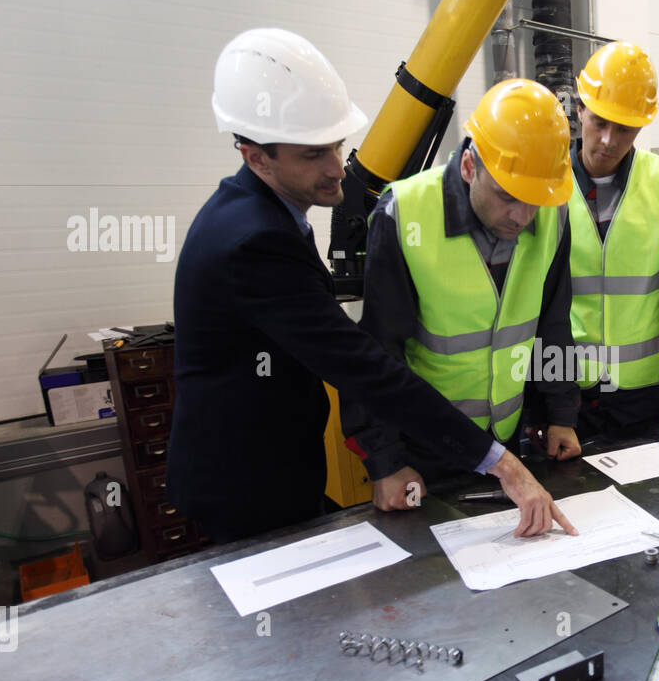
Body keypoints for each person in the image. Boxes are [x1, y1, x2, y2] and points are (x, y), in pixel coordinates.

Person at [167, 28, 575, 543]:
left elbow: (552, 325)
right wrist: (502, 467)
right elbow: (365, 365)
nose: (338, 168)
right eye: (314, 155)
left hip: (284, 463)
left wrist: (554, 414)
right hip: (245, 482)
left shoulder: (263, 214)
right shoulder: (252, 241)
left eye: (336, 146)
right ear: (256, 157)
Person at [347, 79, 581, 510]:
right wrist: (385, 462)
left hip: (509, 442)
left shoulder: (553, 218)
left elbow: (553, 327)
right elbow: (378, 353)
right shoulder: (404, 215)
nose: (522, 216)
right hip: (426, 450)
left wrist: (561, 416)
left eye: (535, 200)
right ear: (471, 166)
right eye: (508, 196)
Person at [564, 41, 659, 455]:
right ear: (580, 110)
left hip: (645, 399)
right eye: (599, 122)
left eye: (624, 128)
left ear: (642, 127)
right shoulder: (543, 185)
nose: (608, 140)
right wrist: (546, 406)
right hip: (566, 396)